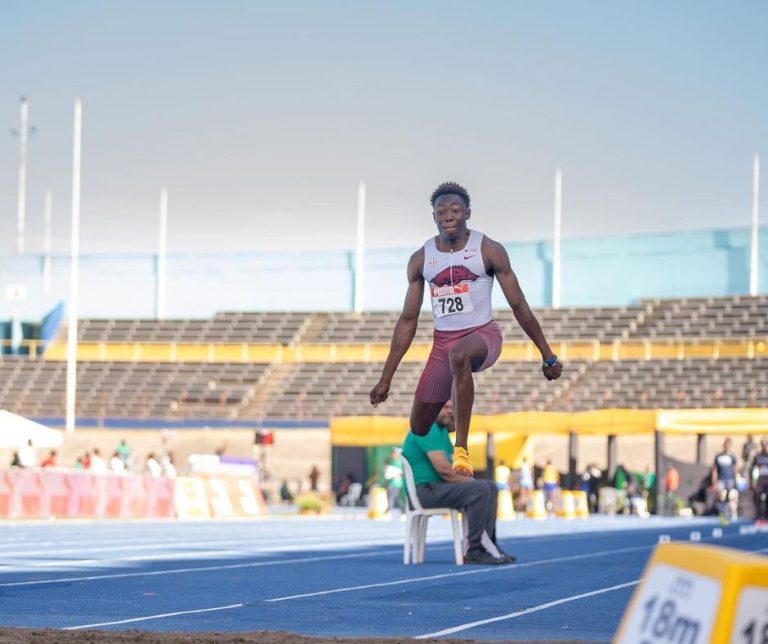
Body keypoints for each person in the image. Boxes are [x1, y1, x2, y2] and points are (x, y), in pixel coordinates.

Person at [370, 181, 562, 477]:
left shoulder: (488, 249)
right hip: (442, 344)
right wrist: (386, 379)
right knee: (419, 426)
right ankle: (453, 402)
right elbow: (408, 320)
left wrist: (547, 356)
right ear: (433, 216)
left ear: (467, 213)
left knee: (459, 356)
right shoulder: (421, 260)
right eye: (441, 211)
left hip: (483, 336)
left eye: (455, 210)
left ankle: (461, 451)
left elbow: (519, 305)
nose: (448, 215)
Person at [401, 400, 514, 565]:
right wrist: (471, 481)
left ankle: (489, 545)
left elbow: (454, 467)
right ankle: (474, 549)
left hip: (436, 487)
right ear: (433, 409)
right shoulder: (427, 428)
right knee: (480, 488)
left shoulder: (440, 431)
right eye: (445, 407)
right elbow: (445, 470)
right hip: (424, 491)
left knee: (491, 487)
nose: (450, 411)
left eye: (452, 408)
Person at [712, 438, 739, 521]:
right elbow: (715, 469)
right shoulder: (718, 456)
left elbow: (735, 468)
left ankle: (732, 516)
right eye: (725, 445)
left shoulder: (732, 456)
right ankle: (722, 515)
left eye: (728, 445)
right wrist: (714, 481)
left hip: (730, 480)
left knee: (731, 497)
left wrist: (736, 479)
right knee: (721, 497)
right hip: (721, 480)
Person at [750, 438, 768, 525]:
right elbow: (753, 469)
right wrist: (753, 481)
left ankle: (766, 518)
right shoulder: (757, 456)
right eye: (763, 444)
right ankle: (758, 517)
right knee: (757, 498)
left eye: (766, 444)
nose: (765, 446)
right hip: (760, 480)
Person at [383, 448, 405, 513]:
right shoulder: (392, 462)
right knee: (394, 497)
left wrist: (395, 473)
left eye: (395, 453)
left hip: (397, 483)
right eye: (393, 453)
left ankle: (388, 510)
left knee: (393, 497)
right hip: (391, 482)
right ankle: (402, 510)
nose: (393, 455)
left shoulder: (399, 462)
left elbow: (402, 473)